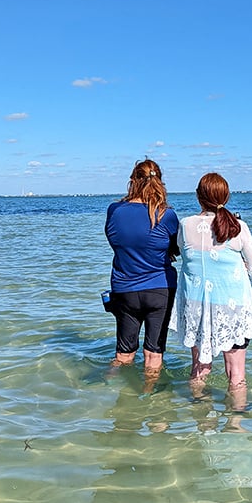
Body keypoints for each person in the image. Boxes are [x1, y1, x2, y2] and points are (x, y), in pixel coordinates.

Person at [171, 172, 252, 402]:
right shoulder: (238, 226)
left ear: (198, 197)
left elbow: (185, 254)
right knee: (236, 375)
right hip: (232, 309)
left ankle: (201, 418)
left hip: (197, 306)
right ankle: (236, 423)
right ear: (227, 196)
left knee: (199, 370)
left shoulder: (185, 224)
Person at [105, 158, 178, 379]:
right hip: (160, 289)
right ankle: (151, 399)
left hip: (124, 289)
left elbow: (114, 240)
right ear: (160, 182)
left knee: (124, 353)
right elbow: (176, 248)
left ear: (133, 181)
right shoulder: (167, 215)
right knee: (153, 354)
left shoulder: (115, 210)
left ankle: (108, 388)